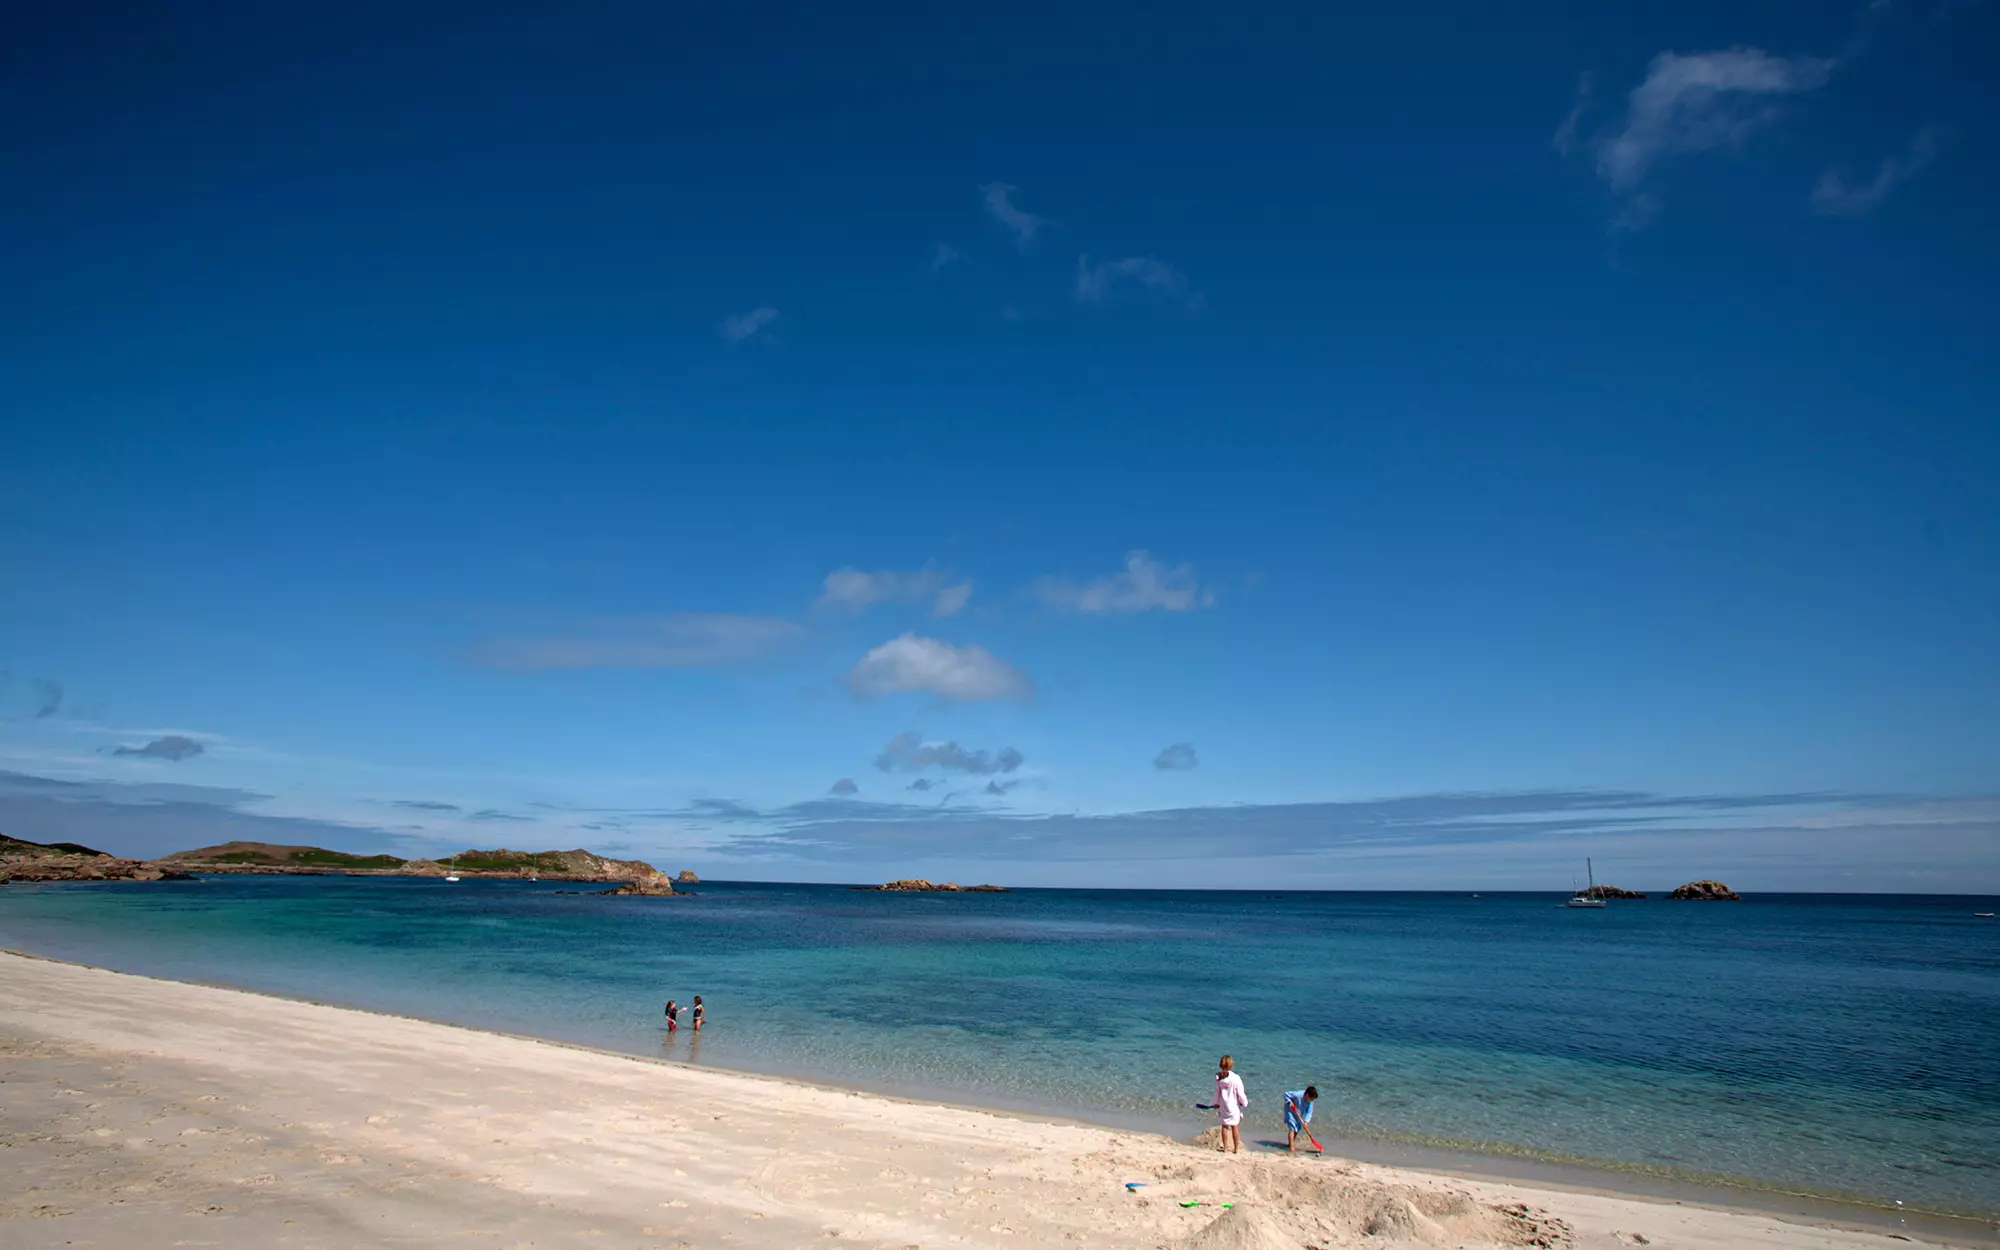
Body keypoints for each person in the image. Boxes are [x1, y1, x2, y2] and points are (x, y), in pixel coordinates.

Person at [1213, 1055, 1248, 1154]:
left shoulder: (1218, 1077)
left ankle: (1225, 1148)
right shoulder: (1236, 1078)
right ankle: (1236, 1148)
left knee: (1224, 1126)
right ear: (1231, 1065)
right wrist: (1245, 1103)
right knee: (1234, 1126)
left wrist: (1215, 1103)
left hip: (1223, 1105)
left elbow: (1217, 1092)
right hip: (1234, 1107)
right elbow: (1240, 1093)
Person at [1283, 1085, 1319, 1153]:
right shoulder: (1297, 1094)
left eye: (1313, 1100)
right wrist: (1289, 1101)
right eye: (1311, 1099)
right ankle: (1291, 1148)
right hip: (1290, 1110)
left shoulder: (1310, 1102)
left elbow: (1309, 1112)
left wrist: (1306, 1121)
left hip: (1298, 1113)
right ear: (1307, 1095)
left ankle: (1290, 1143)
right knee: (1293, 1128)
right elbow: (1285, 1094)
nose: (1311, 1101)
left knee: (1297, 1128)